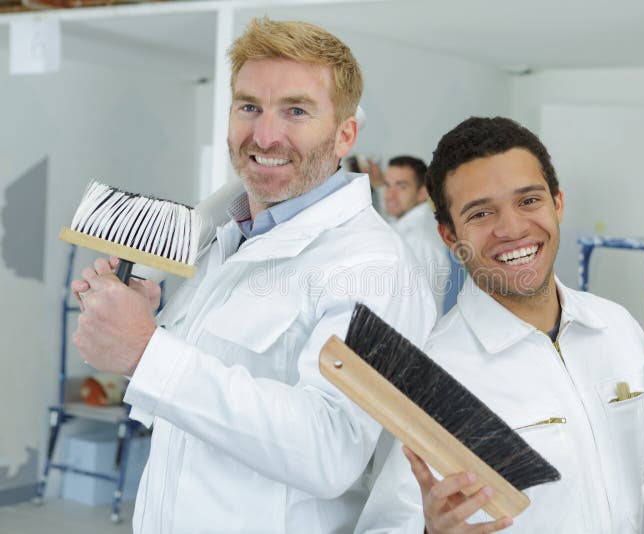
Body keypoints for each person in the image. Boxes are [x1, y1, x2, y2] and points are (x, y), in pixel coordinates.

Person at [70, 17, 436, 533]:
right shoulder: (234, 233)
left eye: (296, 110)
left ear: (344, 135)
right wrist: (132, 330)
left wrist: (146, 351)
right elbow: (199, 404)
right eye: (249, 107)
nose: (265, 134)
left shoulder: (375, 267)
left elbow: (332, 448)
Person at [355, 117, 644, 534]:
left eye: (528, 201)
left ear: (557, 202)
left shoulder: (617, 329)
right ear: (449, 236)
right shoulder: (430, 379)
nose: (512, 229)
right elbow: (385, 526)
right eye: (481, 213)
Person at [383, 156, 451, 315]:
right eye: (387, 185)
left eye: (401, 186)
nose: (390, 195)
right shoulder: (401, 226)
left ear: (422, 193)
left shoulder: (418, 239)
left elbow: (415, 309)